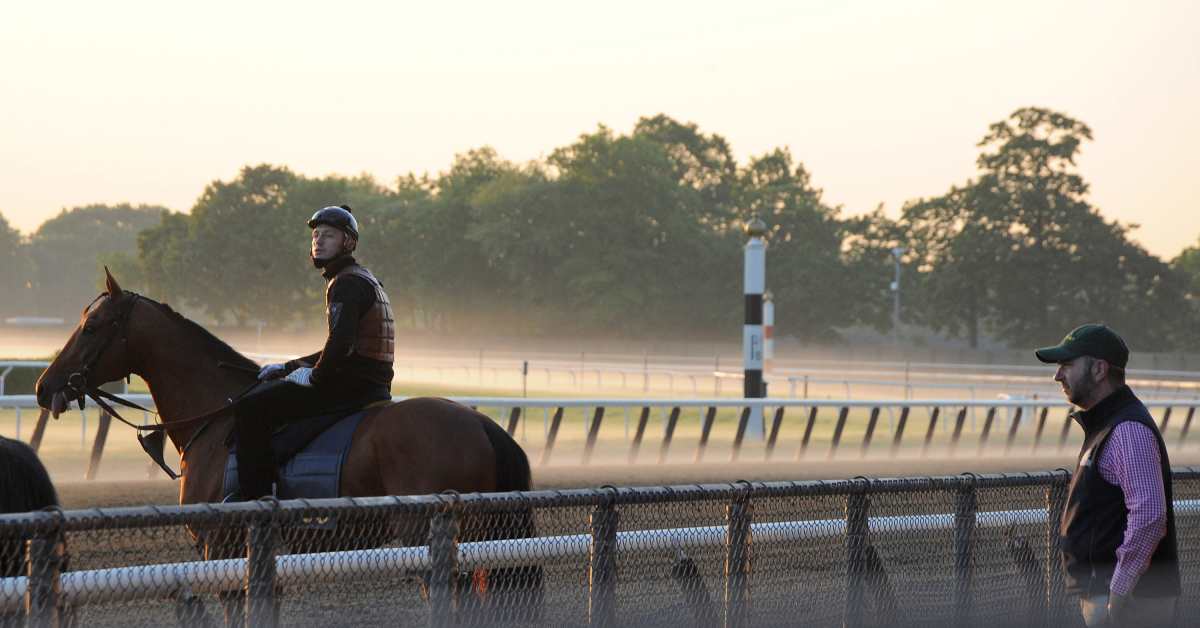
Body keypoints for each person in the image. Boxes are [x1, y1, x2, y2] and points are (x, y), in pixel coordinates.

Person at [233, 204, 395, 500]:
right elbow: (341, 343)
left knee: (249, 410)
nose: (318, 241)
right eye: (316, 235)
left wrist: (316, 377)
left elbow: (339, 346)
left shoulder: (345, 283)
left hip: (350, 387)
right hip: (370, 384)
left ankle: (256, 501)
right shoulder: (361, 277)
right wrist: (287, 367)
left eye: (329, 235)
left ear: (348, 242)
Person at [1035, 324, 1179, 627]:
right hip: (1112, 596)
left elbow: (1150, 515)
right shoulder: (1110, 425)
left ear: (1099, 369)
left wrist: (1119, 589)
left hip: (1125, 602)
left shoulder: (1127, 429)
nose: (1057, 375)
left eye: (1067, 365)